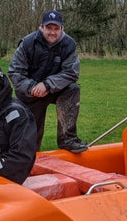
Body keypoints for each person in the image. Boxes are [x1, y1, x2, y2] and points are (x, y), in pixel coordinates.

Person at [8, 10, 89, 153]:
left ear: (62, 29)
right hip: (31, 93)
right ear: (41, 27)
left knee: (73, 89)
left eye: (56, 28)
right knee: (32, 141)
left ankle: (67, 139)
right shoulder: (27, 43)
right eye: (49, 28)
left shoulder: (69, 44)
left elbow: (72, 72)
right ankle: (29, 156)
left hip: (55, 89)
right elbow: (15, 72)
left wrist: (47, 85)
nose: (52, 32)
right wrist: (33, 88)